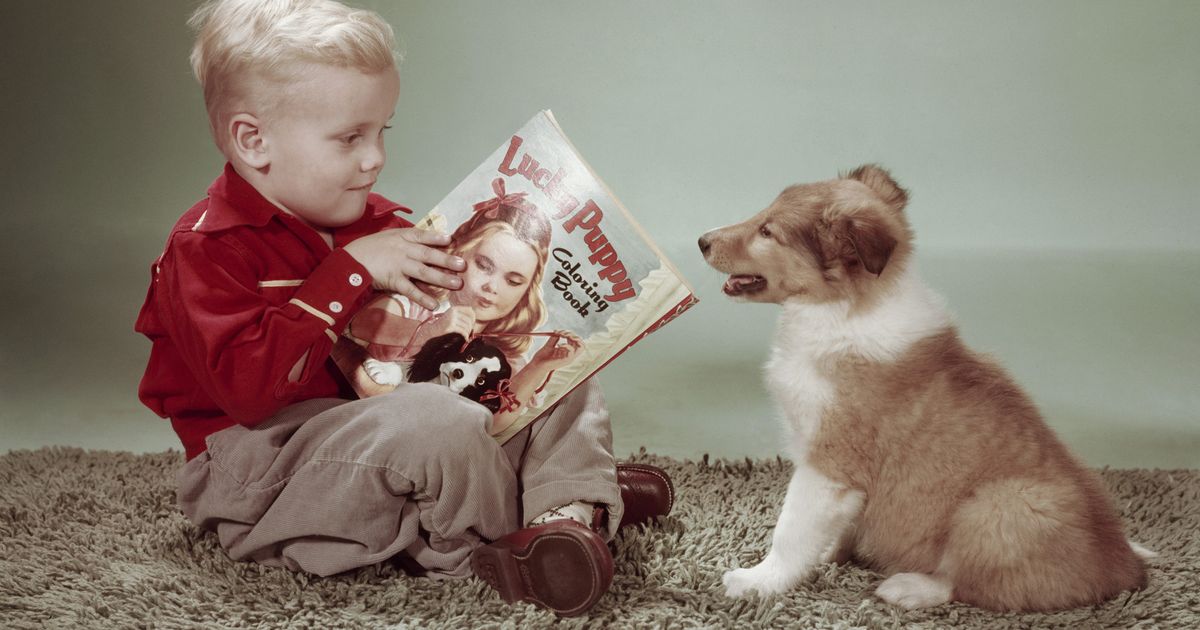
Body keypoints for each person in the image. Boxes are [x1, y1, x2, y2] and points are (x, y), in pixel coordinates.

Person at [134, 0, 671, 617]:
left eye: (381, 131)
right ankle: (527, 525)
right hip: (259, 464)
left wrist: (469, 295)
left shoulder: (376, 222)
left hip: (376, 428)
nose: (374, 159)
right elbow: (250, 393)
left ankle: (567, 511)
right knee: (435, 422)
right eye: (349, 138)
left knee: (557, 366)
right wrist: (352, 270)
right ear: (254, 141)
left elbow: (428, 345)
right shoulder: (206, 249)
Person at [350, 178, 582, 435]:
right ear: (461, 254)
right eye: (484, 266)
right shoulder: (422, 302)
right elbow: (361, 324)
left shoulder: (510, 360)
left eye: (513, 281)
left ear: (525, 293)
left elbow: (492, 425)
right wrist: (430, 330)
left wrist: (539, 366)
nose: (492, 287)